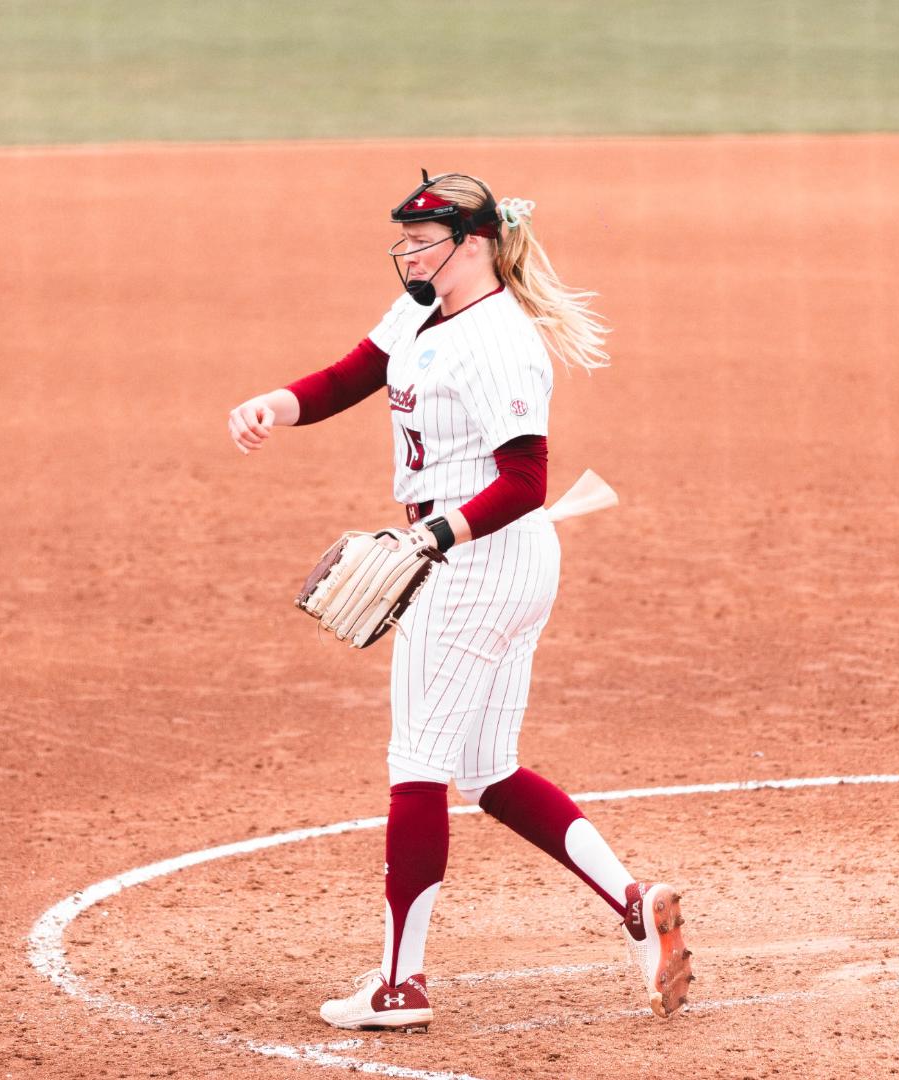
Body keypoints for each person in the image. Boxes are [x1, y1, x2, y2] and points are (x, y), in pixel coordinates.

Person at [226, 171, 692, 1031]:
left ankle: (401, 985)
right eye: (401, 239)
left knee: (417, 768)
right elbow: (350, 376)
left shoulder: (499, 342)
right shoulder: (420, 309)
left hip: (475, 562)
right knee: (485, 768)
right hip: (487, 561)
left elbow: (524, 480)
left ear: (470, 244)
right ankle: (634, 907)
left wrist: (430, 539)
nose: (405, 253)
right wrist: (274, 407)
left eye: (420, 240)